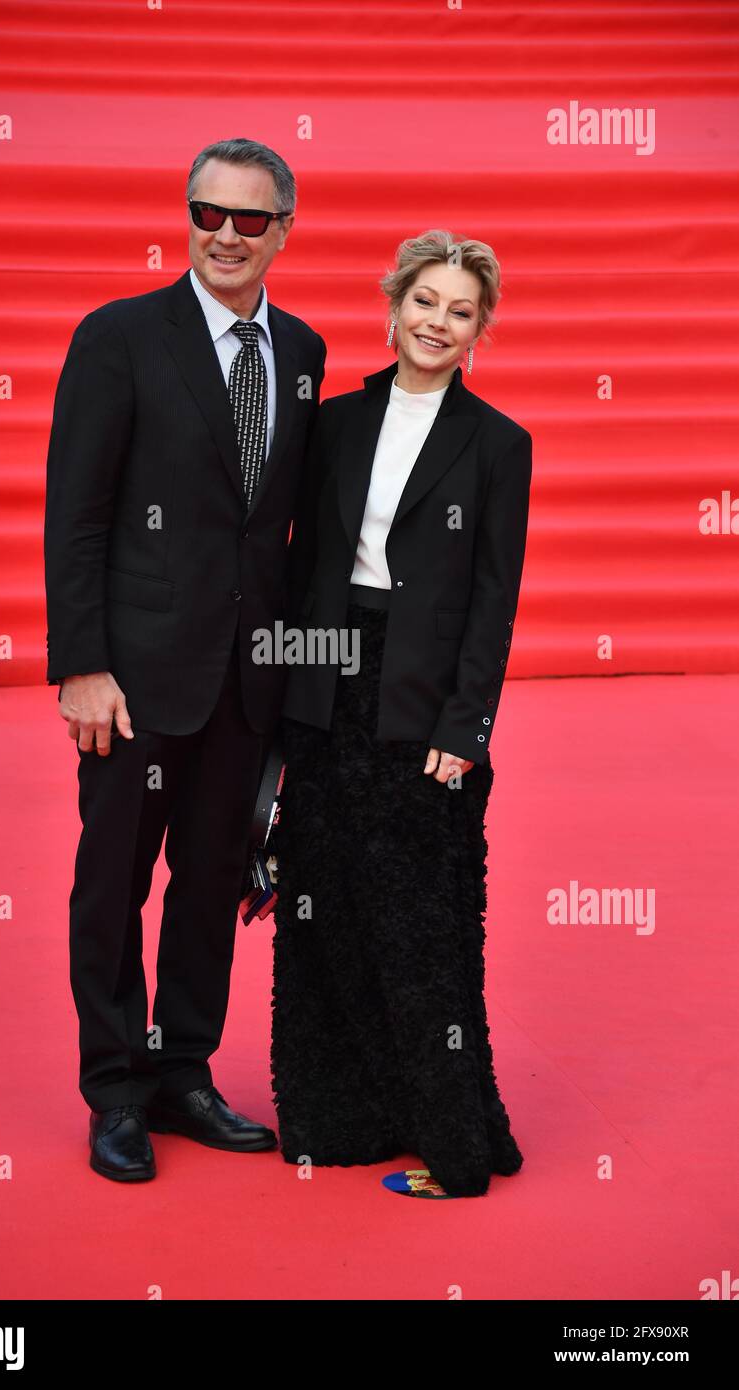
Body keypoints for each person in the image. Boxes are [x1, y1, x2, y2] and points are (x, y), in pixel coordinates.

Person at [44, 138, 326, 1182]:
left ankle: (183, 1069)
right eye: (208, 212)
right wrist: (81, 661)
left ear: (282, 232)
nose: (224, 234)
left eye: (249, 219)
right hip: (134, 675)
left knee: (209, 882)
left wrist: (298, 669)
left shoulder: (300, 351)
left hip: (246, 678)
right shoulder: (119, 337)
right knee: (110, 883)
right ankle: (114, 1087)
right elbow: (76, 513)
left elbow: (284, 530)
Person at [270, 229, 532, 1198]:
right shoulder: (334, 422)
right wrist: (282, 696)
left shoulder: (500, 445)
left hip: (424, 706)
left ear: (479, 330)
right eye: (424, 301)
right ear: (394, 304)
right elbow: (303, 569)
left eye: (459, 310)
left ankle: (458, 1148)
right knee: (324, 903)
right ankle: (341, 1116)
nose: (437, 322)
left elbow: (491, 602)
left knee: (419, 921)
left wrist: (463, 732)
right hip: (328, 681)